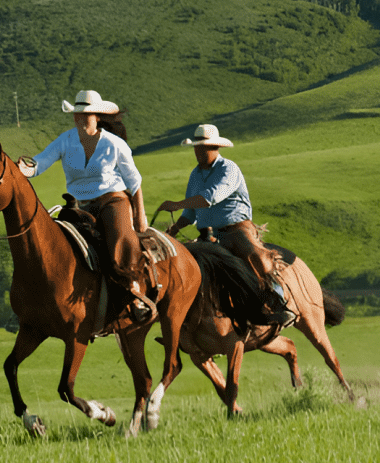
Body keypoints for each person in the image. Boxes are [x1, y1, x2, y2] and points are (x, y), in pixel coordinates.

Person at [20, 90, 155, 323]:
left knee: (120, 238)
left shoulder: (115, 144)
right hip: (79, 205)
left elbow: (135, 181)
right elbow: (39, 164)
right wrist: (19, 169)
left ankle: (134, 291)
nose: (81, 119)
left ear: (98, 117)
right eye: (77, 114)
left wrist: (140, 213)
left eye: (87, 114)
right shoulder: (65, 140)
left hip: (112, 200)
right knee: (54, 245)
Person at [155, 123, 289, 321]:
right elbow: (190, 213)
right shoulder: (195, 174)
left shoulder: (228, 169)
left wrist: (175, 204)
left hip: (237, 229)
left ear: (214, 148)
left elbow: (211, 198)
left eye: (202, 147)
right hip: (209, 234)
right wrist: (173, 231)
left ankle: (277, 301)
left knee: (255, 257)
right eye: (196, 147)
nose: (198, 152)